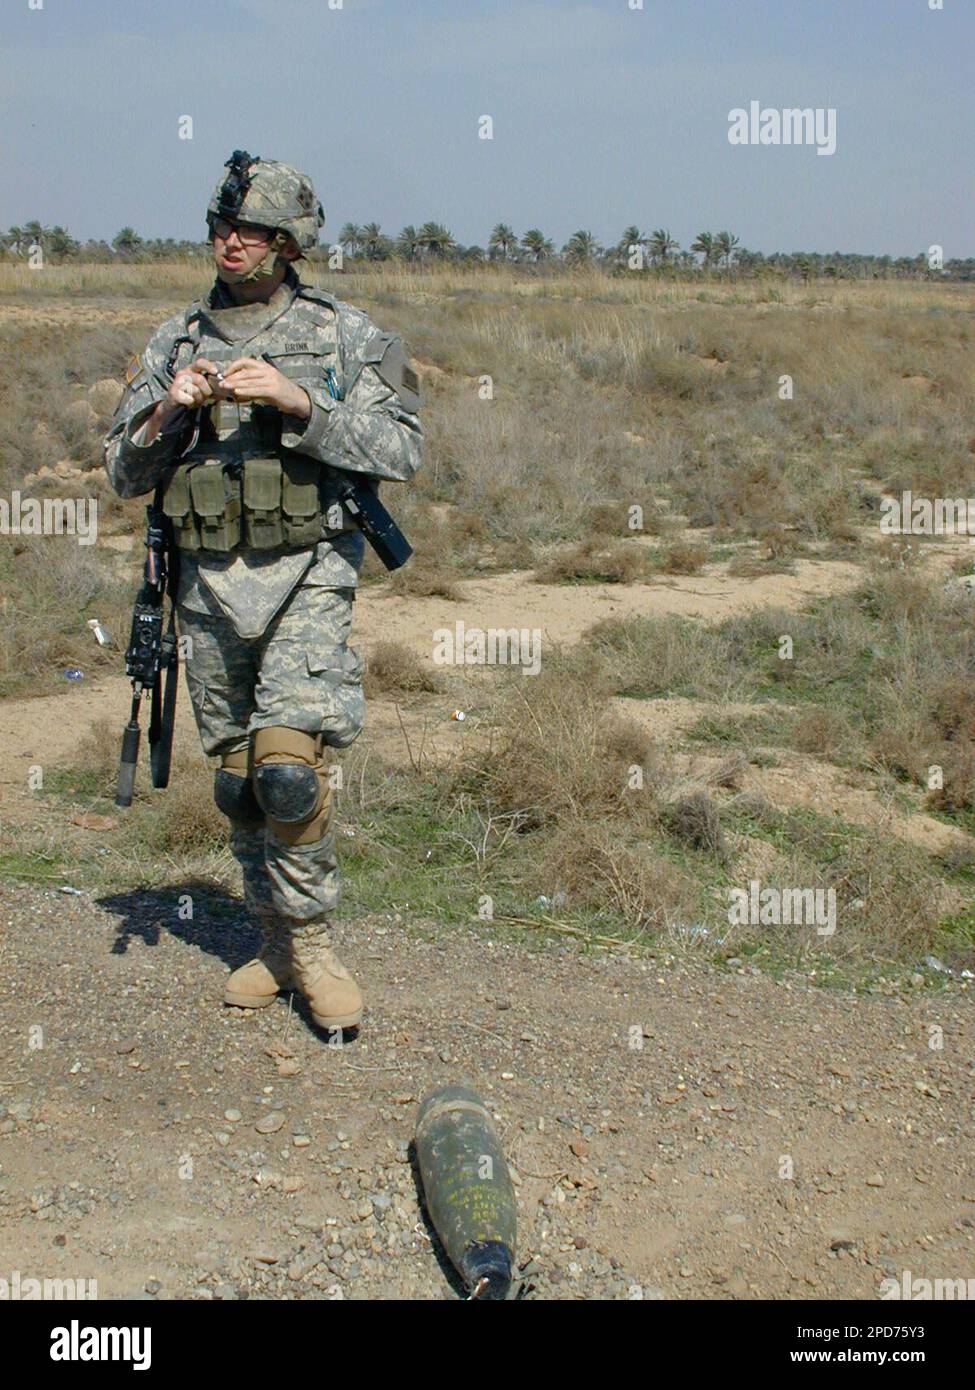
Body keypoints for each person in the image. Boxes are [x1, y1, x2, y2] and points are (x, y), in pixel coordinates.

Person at [103, 151, 422, 1034]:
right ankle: (271, 942)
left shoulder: (345, 334)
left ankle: (313, 950)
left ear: (287, 245)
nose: (227, 241)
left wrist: (299, 405)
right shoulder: (177, 337)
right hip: (205, 585)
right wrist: (167, 412)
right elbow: (121, 471)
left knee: (288, 773)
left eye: (247, 230)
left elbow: (403, 449)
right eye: (220, 226)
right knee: (240, 782)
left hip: (308, 574)